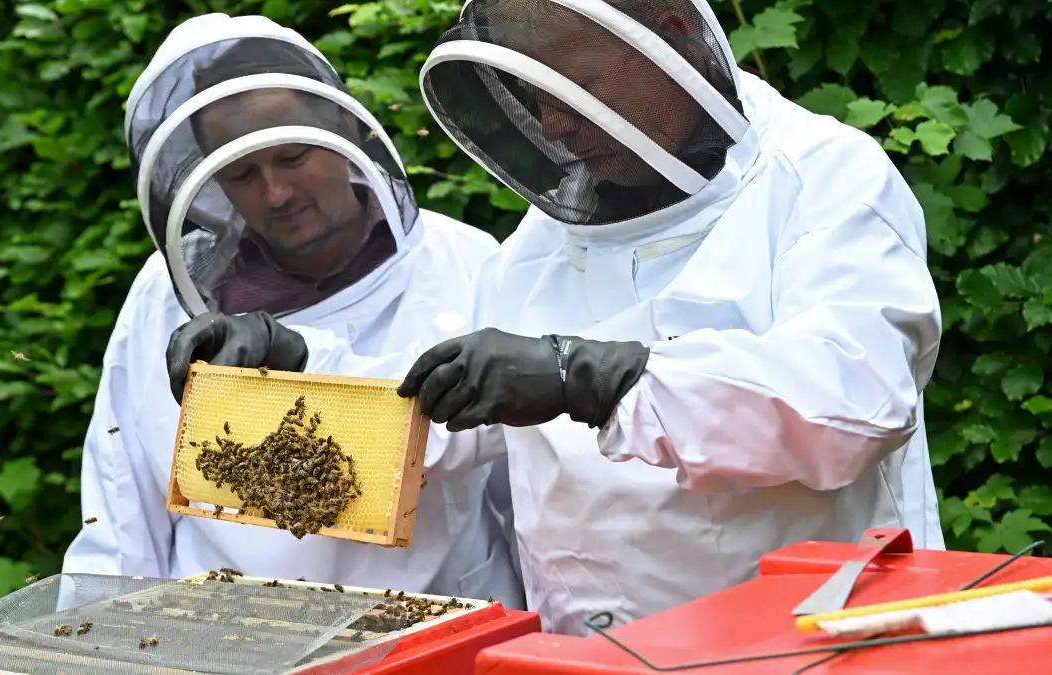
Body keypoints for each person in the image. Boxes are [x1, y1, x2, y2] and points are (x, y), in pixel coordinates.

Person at [390, 0, 945, 635]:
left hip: (799, 636)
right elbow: (447, 406)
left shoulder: (822, 176)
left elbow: (855, 397)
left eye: (578, 86)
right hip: (586, 647)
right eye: (534, 93)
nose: (556, 124)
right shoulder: (545, 236)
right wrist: (302, 367)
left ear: (672, 37)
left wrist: (594, 378)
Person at [62, 13, 524, 611]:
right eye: (241, 172)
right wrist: (93, 638)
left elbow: (531, 485)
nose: (276, 193)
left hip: (427, 623)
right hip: (225, 634)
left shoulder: (466, 265)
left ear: (341, 126)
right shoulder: (161, 291)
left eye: (293, 156)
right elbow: (121, 501)